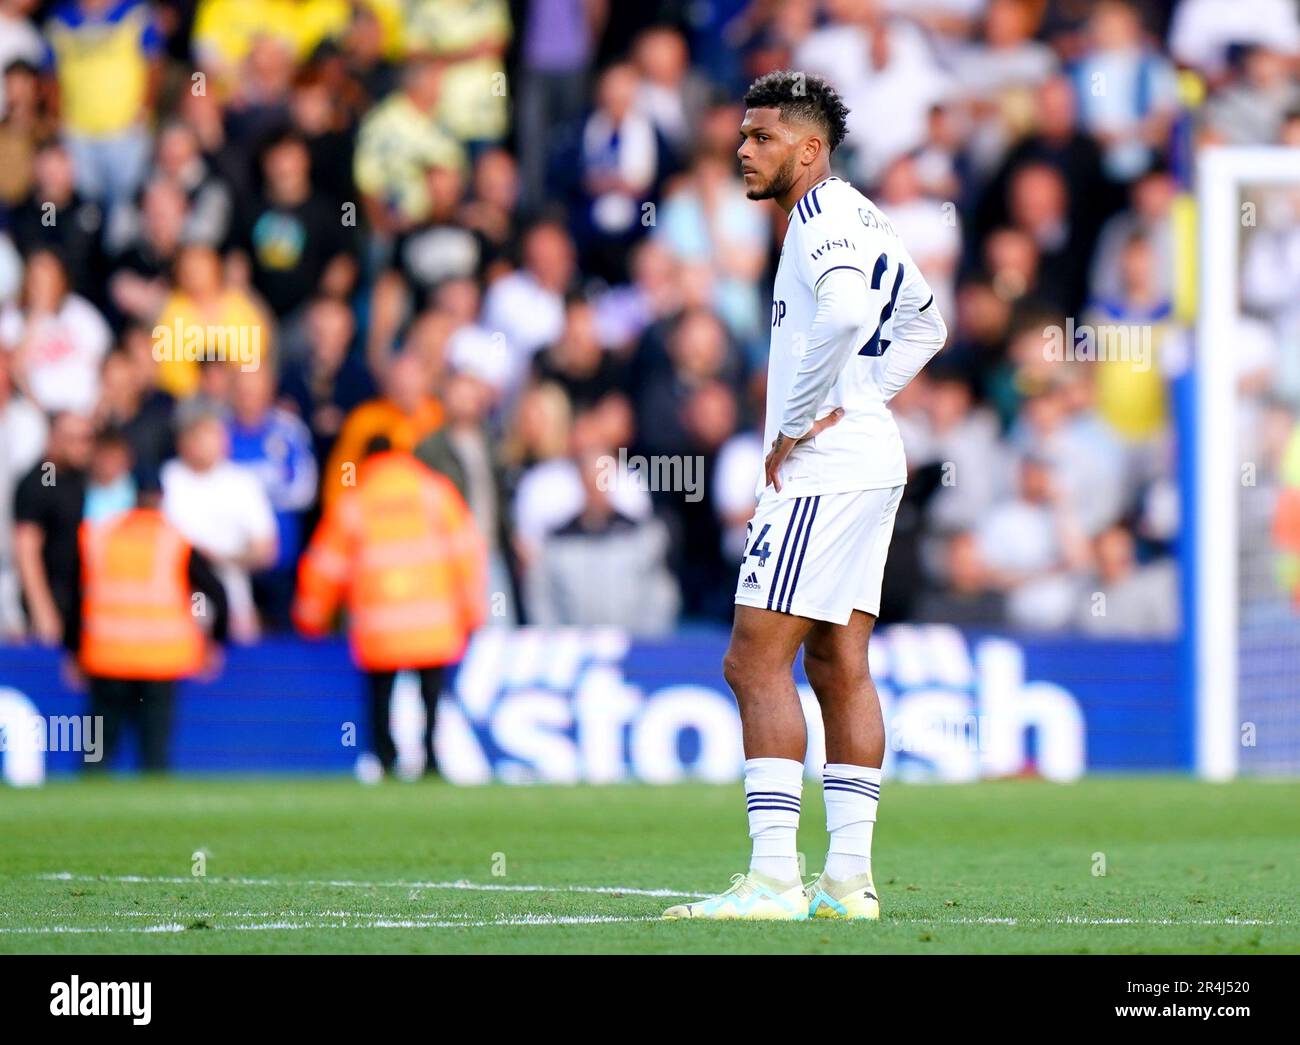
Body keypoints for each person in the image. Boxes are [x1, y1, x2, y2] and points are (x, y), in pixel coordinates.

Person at [663, 72, 947, 922]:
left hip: (824, 469)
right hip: (869, 458)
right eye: (742, 136)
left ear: (808, 149)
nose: (742, 151)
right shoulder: (865, 214)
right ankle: (848, 883)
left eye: (760, 137)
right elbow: (927, 321)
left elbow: (846, 312)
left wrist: (796, 420)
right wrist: (863, 394)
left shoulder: (822, 220)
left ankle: (774, 878)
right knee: (836, 662)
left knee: (752, 660)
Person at [293, 438, 486, 778]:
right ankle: (430, 758)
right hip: (433, 622)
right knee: (431, 696)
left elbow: (325, 566)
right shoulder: (435, 492)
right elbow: (467, 553)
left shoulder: (354, 502)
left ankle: (385, 757)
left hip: (378, 625)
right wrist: (473, 611)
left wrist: (312, 617)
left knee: (380, 696)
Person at [69, 471, 228, 771]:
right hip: (161, 659)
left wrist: (72, 649)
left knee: (96, 753)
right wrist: (216, 641)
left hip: (107, 657)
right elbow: (217, 593)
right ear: (162, 498)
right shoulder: (174, 541)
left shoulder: (99, 537)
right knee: (154, 751)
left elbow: (77, 598)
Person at [12, 410, 93, 645]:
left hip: (82, 598)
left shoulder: (82, 477)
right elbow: (27, 549)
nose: (83, 446)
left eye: (87, 438)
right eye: (74, 439)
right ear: (53, 438)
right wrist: (42, 609)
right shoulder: (41, 481)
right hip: (54, 597)